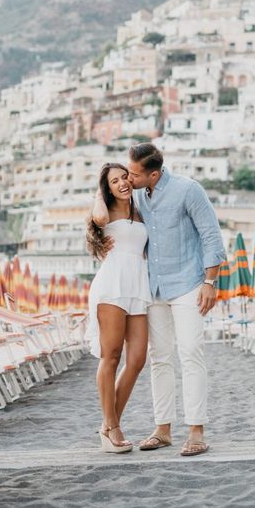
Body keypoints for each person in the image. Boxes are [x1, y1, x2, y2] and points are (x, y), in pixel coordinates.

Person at [127, 143, 226, 456]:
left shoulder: (188, 190)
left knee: (191, 352)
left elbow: (211, 235)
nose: (129, 178)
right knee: (160, 357)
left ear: (153, 174)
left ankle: (196, 431)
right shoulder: (137, 195)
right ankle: (162, 429)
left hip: (188, 284)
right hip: (153, 287)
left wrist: (210, 282)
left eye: (134, 173)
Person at [85, 162, 152, 453]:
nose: (123, 183)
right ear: (107, 188)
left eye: (125, 177)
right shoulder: (106, 211)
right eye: (114, 181)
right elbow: (98, 218)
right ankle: (112, 426)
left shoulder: (141, 211)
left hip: (137, 286)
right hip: (112, 286)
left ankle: (108, 424)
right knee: (110, 356)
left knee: (137, 359)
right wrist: (98, 194)